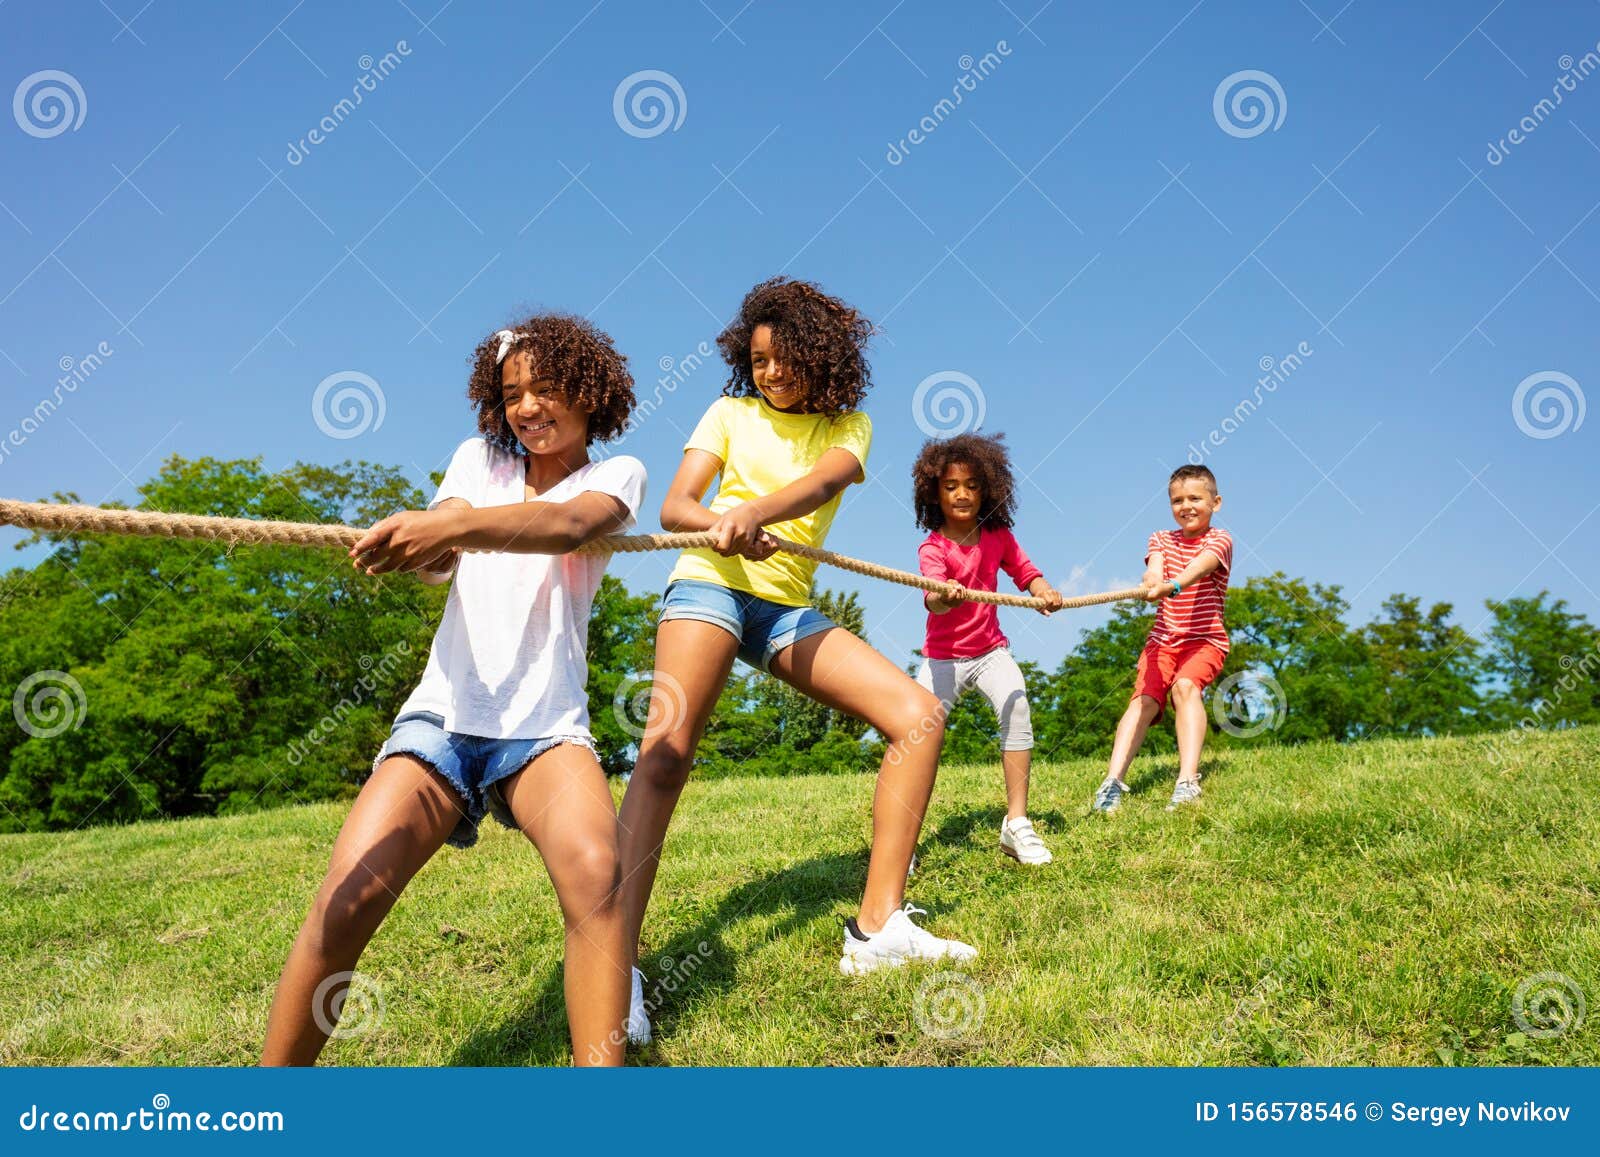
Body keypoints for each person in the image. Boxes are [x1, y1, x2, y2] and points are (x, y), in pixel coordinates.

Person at [261, 314, 645, 1066]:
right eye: (512, 394)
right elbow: (445, 538)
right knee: (349, 898)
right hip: (442, 718)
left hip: (545, 729)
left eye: (545, 387)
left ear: (590, 390)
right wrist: (426, 539)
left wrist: (453, 530)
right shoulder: (478, 460)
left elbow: (567, 525)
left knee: (598, 877)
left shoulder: (616, 474)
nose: (528, 407)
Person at [616, 276, 975, 1046]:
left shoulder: (851, 426)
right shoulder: (729, 413)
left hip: (783, 608)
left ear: (821, 355)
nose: (771, 373)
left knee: (917, 715)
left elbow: (825, 479)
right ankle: (614, 963)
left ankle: (877, 928)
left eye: (785, 359)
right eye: (759, 361)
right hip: (709, 585)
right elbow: (676, 508)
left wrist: (759, 512)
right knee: (666, 755)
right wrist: (726, 522)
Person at [912, 432, 1063, 864]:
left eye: (973, 486)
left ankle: (1016, 824)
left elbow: (1025, 571)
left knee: (1017, 704)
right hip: (942, 658)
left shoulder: (997, 535)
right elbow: (931, 598)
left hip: (990, 651)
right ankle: (907, 837)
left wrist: (1043, 590)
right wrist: (945, 594)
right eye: (951, 486)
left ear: (988, 490)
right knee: (917, 734)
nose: (963, 494)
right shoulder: (933, 547)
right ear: (934, 493)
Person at [1092, 464, 1233, 813]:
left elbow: (1200, 566)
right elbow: (1154, 566)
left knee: (1185, 688)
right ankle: (1111, 784)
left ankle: (1187, 782)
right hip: (1162, 641)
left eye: (1195, 498)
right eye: (1177, 500)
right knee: (1144, 701)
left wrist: (1172, 585)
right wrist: (1152, 580)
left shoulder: (1221, 539)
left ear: (1215, 503)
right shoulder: (1161, 538)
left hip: (1205, 641)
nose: (1186, 506)